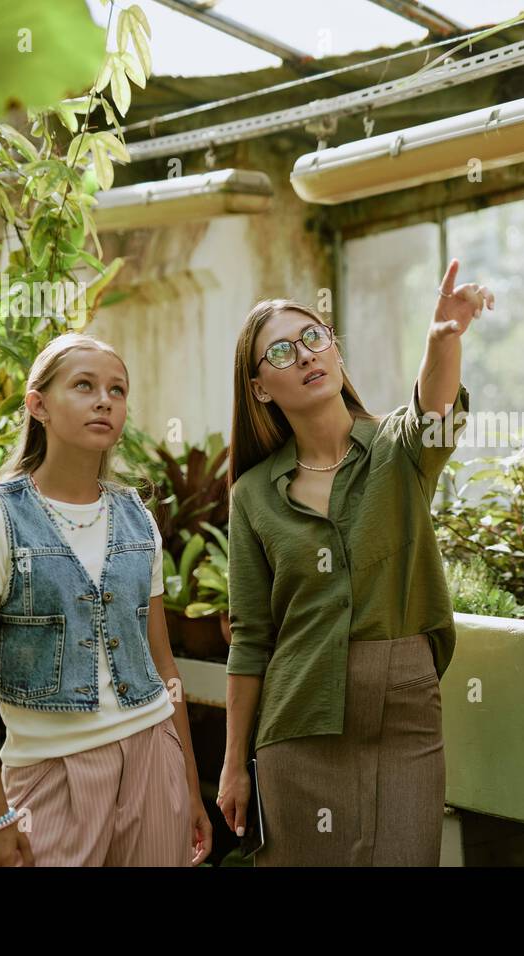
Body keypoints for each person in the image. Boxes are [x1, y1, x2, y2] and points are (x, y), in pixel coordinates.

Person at [216, 259, 492, 866]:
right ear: (260, 387)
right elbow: (251, 638)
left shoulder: (399, 450)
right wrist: (235, 763)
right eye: (283, 353)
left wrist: (442, 337)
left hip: (404, 713)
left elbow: (436, 411)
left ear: (335, 351)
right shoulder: (253, 494)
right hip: (298, 722)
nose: (307, 356)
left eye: (314, 338)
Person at [0, 332, 212, 866]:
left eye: (117, 390)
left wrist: (187, 781)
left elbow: (163, 663)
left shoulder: (137, 516)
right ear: (38, 404)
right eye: (84, 386)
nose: (104, 401)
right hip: (50, 771)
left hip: (152, 755)